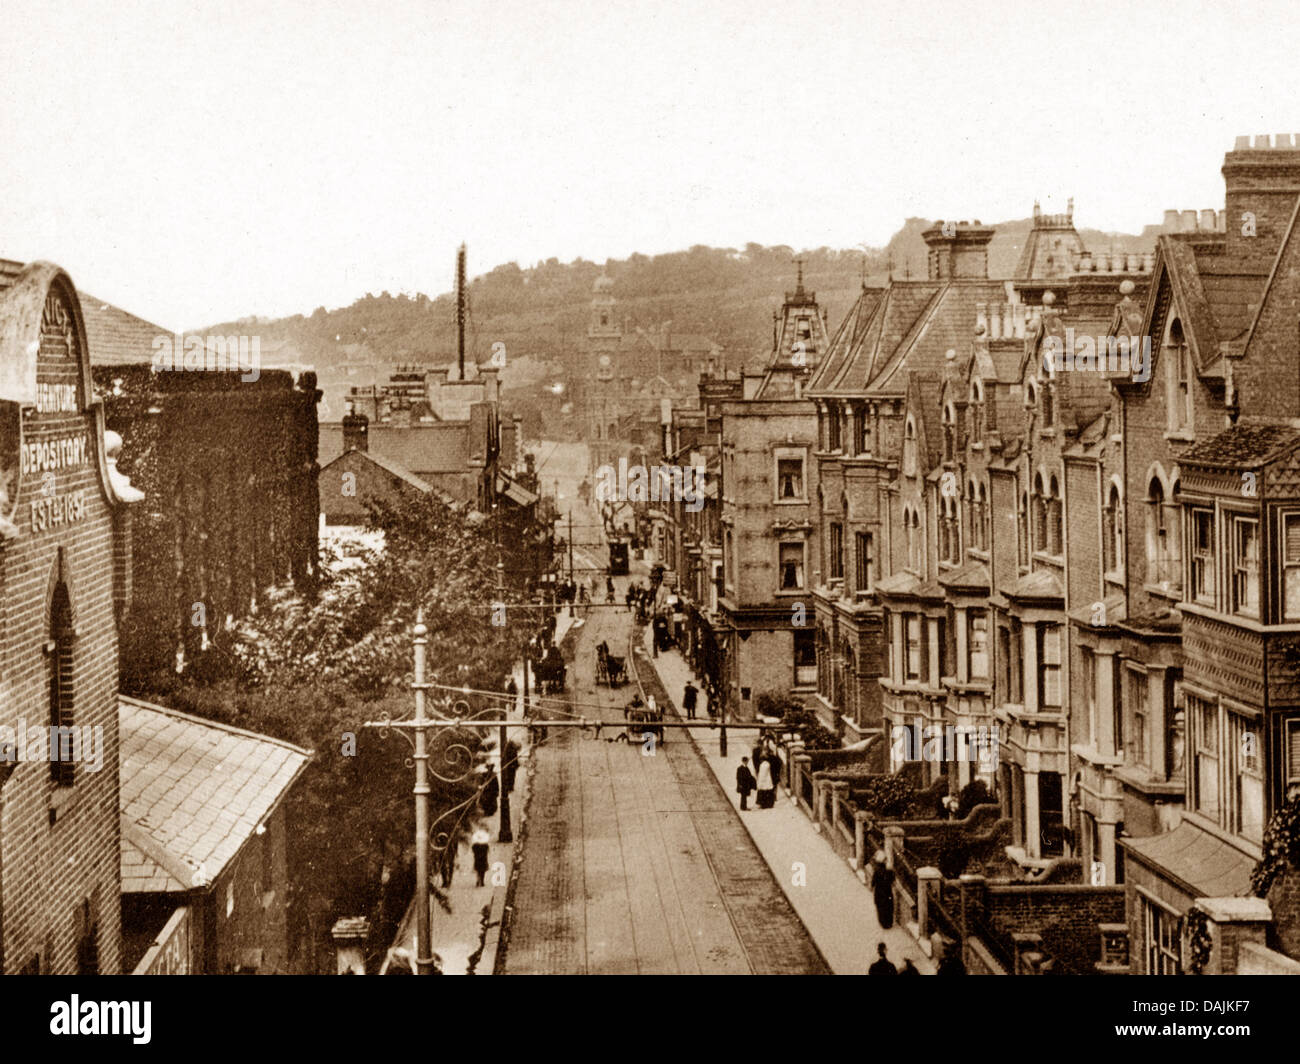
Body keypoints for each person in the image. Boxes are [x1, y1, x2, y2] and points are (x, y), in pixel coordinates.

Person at [871, 851, 896, 929]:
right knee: (888, 907)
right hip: (887, 892)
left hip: (879, 893)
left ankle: (883, 923)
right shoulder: (888, 870)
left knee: (881, 908)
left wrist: (872, 886)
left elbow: (873, 882)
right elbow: (892, 880)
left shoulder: (876, 870)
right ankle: (889, 923)